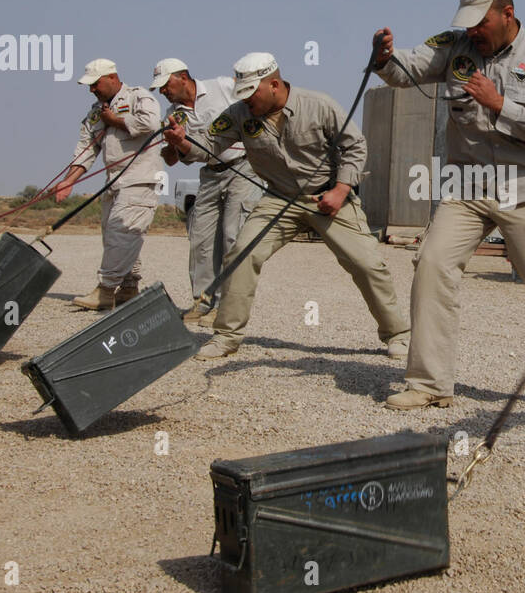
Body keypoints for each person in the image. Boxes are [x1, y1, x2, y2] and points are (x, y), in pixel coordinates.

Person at [370, 0, 525, 414]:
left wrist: (501, 105)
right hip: (467, 184)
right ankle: (429, 383)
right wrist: (383, 58)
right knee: (433, 264)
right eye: (468, 21)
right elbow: (406, 70)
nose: (473, 30)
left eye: (481, 21)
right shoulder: (455, 47)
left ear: (508, 13)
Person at [163, 52, 411, 361]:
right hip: (278, 198)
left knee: (367, 263)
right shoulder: (239, 113)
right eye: (241, 94)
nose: (245, 101)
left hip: (328, 198)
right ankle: (226, 336)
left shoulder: (319, 105)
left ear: (275, 85)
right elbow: (208, 146)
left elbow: (354, 146)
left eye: (251, 93)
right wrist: (181, 142)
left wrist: (341, 190)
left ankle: (397, 335)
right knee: (240, 255)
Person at [152, 57, 263, 326]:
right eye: (159, 88)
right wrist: (174, 142)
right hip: (210, 175)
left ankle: (227, 305)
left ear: (183, 77)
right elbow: (170, 159)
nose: (163, 91)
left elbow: (254, 104)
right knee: (200, 239)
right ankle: (202, 302)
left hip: (243, 167)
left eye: (165, 84)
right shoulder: (172, 116)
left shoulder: (223, 86)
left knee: (232, 236)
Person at [51, 58, 164, 311]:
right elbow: (86, 149)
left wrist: (115, 121)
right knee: (115, 235)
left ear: (112, 78)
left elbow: (151, 124)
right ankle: (127, 287)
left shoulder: (139, 97)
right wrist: (68, 182)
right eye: (89, 86)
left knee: (121, 235)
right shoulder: (96, 111)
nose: (92, 89)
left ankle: (105, 291)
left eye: (96, 84)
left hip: (140, 179)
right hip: (113, 181)